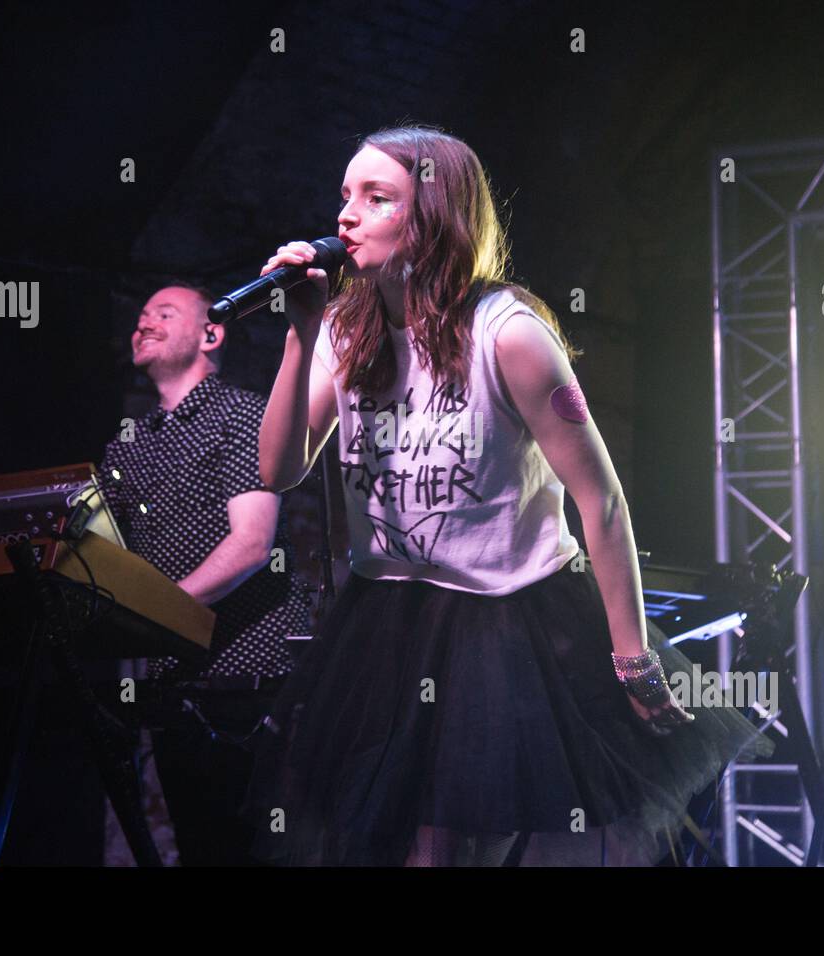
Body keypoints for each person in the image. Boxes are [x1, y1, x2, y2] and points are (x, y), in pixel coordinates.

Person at [243, 126, 774, 866]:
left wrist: (632, 660)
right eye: (345, 197)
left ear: (432, 215)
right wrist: (301, 334)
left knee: (455, 844)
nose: (345, 216)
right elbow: (277, 471)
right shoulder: (344, 329)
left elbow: (603, 502)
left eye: (376, 198)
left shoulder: (508, 334)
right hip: (389, 613)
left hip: (505, 617)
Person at [99, 284, 313, 865]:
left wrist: (158, 612)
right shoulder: (127, 446)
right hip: (174, 686)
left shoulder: (242, 415)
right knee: (199, 854)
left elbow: (250, 544)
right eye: (140, 317)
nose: (144, 324)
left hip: (249, 680)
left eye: (164, 314)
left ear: (210, 335)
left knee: (263, 855)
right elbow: (104, 561)